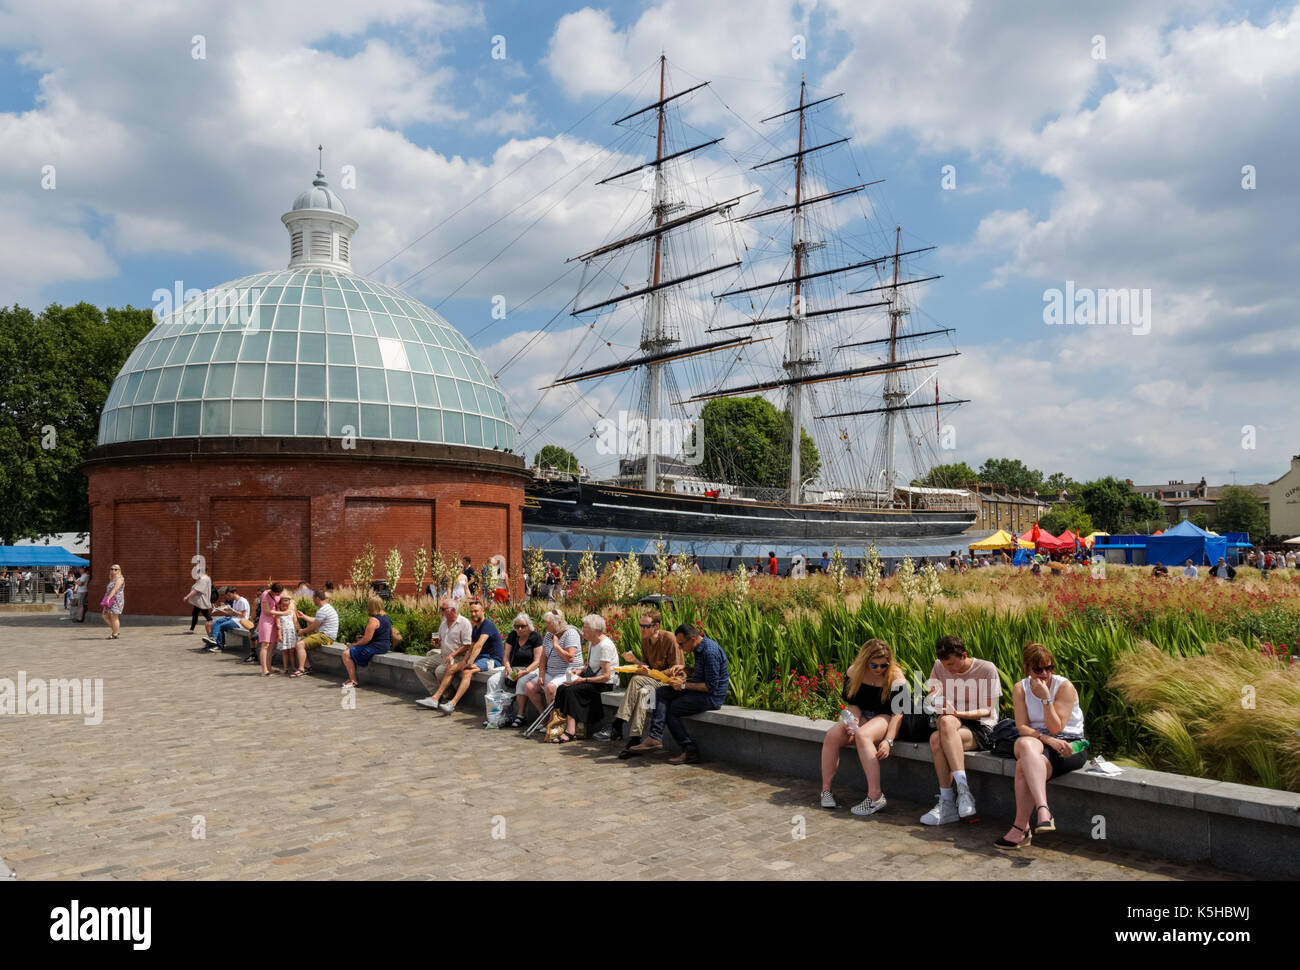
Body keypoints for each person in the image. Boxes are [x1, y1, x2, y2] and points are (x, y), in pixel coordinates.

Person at [995, 642, 1088, 850]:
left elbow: (1056, 728)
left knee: (1022, 767)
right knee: (1026, 744)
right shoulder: (1021, 687)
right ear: (1027, 668)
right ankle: (1043, 809)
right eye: (1038, 670)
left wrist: (1046, 698)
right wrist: (1046, 740)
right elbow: (1022, 727)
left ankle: (1021, 828)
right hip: (1038, 742)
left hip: (1069, 745)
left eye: (1049, 668)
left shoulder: (1064, 687)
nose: (1045, 674)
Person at [919, 635, 1002, 825]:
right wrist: (937, 702)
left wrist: (958, 713)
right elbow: (931, 696)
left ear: (963, 655)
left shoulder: (986, 668)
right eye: (944, 664)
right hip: (952, 722)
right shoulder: (939, 665)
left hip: (981, 725)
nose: (947, 669)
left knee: (936, 740)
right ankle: (961, 794)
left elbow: (988, 709)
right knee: (945, 724)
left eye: (951, 664)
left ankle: (949, 802)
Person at [818, 638, 905, 815]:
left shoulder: (895, 677)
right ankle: (826, 790)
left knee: (863, 735)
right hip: (864, 715)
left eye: (884, 665)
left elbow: (898, 713)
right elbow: (853, 704)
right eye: (874, 666)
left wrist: (888, 740)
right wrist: (853, 721)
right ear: (865, 662)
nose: (879, 669)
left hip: (886, 717)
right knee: (832, 735)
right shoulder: (854, 673)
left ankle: (875, 796)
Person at [627, 623, 728, 765]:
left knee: (672, 709)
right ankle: (655, 737)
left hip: (711, 697)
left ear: (692, 639)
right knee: (661, 692)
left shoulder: (709, 652)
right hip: (699, 691)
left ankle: (690, 750)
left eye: (681, 644)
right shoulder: (700, 648)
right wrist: (685, 668)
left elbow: (710, 687)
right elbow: (702, 673)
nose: (680, 648)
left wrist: (682, 685)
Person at [602, 609, 682, 754]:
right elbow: (646, 667)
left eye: (645, 626)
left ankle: (619, 722)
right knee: (644, 692)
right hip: (652, 681)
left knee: (637, 680)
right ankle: (635, 737)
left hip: (669, 682)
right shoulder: (645, 640)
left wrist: (650, 673)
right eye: (640, 625)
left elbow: (675, 670)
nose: (641, 629)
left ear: (656, 626)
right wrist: (635, 662)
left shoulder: (669, 639)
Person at [425, 599, 504, 715]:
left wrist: (469, 662)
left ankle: (452, 704)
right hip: (480, 658)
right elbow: (470, 648)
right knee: (451, 668)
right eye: (471, 612)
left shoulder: (488, 625)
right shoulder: (476, 628)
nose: (473, 614)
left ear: (483, 611)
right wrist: (465, 660)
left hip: (492, 660)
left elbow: (478, 645)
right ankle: (435, 698)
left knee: (467, 671)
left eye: (476, 611)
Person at [550, 615, 620, 742]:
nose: (583, 631)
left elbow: (606, 676)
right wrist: (581, 670)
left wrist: (583, 680)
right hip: (593, 678)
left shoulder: (605, 646)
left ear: (596, 630)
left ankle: (570, 731)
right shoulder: (592, 642)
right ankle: (561, 723)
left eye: (586, 628)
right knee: (562, 688)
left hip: (605, 683)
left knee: (572, 690)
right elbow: (592, 666)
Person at [522, 610, 585, 723]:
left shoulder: (570, 633)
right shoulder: (549, 635)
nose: (545, 625)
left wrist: (556, 646)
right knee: (530, 687)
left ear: (558, 623)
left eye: (548, 623)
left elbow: (570, 658)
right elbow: (543, 657)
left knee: (551, 688)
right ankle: (544, 716)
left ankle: (553, 721)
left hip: (568, 672)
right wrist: (541, 674)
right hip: (551, 672)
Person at [414, 598, 474, 708]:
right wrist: (437, 644)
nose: (440, 611)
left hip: (458, 657)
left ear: (452, 610)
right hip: (443, 655)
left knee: (440, 671)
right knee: (419, 665)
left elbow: (467, 645)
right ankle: (438, 695)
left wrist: (453, 654)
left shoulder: (464, 623)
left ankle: (446, 695)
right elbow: (441, 642)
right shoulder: (443, 624)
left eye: (443, 609)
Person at [340, 596, 401, 689]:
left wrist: (354, 645)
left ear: (370, 607)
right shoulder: (386, 617)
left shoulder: (373, 620)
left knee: (346, 654)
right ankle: (351, 678)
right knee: (352, 652)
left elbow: (367, 639)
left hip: (375, 647)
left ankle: (353, 681)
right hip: (384, 646)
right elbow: (380, 634)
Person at [502, 613, 544, 728]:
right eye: (516, 626)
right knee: (493, 680)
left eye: (522, 626)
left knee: (522, 681)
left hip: (531, 669)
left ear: (529, 626)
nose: (519, 629)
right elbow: (506, 656)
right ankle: (499, 715)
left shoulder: (535, 637)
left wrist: (524, 671)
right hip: (513, 668)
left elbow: (537, 661)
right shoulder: (512, 635)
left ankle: (521, 715)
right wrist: (508, 668)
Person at [294, 589, 338, 673]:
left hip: (325, 637)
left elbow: (314, 626)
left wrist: (302, 631)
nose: (313, 600)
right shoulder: (327, 607)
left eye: (313, 598)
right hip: (325, 635)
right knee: (301, 642)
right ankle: (307, 667)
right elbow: (316, 621)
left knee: (299, 645)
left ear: (317, 598)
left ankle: (301, 669)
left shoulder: (322, 610)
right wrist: (304, 616)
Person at [204, 587, 251, 653]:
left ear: (234, 593)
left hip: (240, 621)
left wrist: (232, 610)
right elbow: (232, 614)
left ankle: (219, 646)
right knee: (217, 621)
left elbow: (243, 615)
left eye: (229, 595)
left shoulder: (242, 601)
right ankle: (213, 638)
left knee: (220, 626)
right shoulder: (235, 601)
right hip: (233, 619)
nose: (229, 597)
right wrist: (221, 610)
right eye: (228, 595)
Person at [255, 582, 284, 676]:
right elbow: (267, 611)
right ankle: (264, 670)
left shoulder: (279, 593)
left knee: (272, 645)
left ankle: (269, 668)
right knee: (265, 645)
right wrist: (284, 613)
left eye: (280, 593)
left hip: (274, 621)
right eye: (277, 594)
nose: (279, 595)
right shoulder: (265, 595)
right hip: (266, 621)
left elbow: (284, 602)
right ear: (272, 591)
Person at [272, 592, 301, 676]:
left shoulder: (291, 612)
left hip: (291, 634)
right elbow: (278, 625)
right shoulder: (278, 614)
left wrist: (300, 632)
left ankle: (293, 666)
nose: (285, 607)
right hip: (284, 634)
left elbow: (296, 623)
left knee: (292, 651)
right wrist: (279, 635)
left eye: (287, 605)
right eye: (283, 605)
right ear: (279, 605)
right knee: (284, 652)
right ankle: (285, 668)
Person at [184, 567, 212, 635]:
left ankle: (214, 628)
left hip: (201, 601)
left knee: (207, 616)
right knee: (195, 614)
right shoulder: (206, 578)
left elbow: (197, 590)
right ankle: (191, 629)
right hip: (199, 601)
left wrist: (187, 596)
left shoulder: (203, 579)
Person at [101, 564, 125, 638]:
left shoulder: (120, 579)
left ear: (119, 570)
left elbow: (115, 589)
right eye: (112, 569)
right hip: (109, 598)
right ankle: (116, 631)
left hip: (116, 600)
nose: (113, 570)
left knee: (114, 616)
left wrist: (108, 598)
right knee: (105, 615)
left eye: (115, 569)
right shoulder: (112, 579)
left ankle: (115, 633)